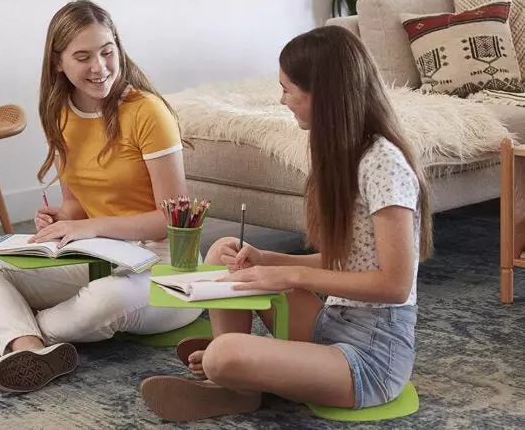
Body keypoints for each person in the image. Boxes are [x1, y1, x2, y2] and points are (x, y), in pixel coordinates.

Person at [139, 25, 433, 422]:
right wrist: (265, 259)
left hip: (371, 356)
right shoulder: (345, 154)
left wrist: (290, 274)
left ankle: (230, 366)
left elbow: (395, 286)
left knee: (225, 353)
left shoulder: (384, 164)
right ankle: (236, 380)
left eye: (288, 89)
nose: (282, 100)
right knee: (229, 256)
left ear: (322, 95)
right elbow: (348, 262)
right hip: (331, 323)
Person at [0, 0, 201, 393]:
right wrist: (63, 216)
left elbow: (171, 221)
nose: (100, 67)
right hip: (100, 257)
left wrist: (86, 225)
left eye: (107, 51)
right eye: (83, 56)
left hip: (164, 269)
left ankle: (9, 326)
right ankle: (27, 345)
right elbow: (77, 203)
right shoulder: (61, 112)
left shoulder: (148, 112)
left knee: (105, 299)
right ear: (58, 62)